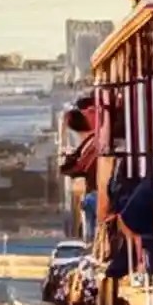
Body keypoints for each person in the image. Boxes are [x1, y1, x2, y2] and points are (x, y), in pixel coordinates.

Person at [59, 97, 99, 242]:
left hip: (97, 196)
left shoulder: (95, 144)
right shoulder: (91, 143)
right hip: (95, 195)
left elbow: (77, 168)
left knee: (92, 231)